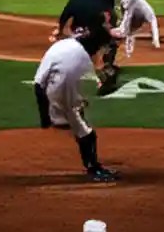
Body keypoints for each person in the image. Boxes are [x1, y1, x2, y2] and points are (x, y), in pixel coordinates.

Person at [32, 25, 121, 183]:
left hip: (50, 90)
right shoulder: (84, 61)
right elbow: (83, 89)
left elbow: (38, 83)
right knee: (87, 133)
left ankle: (61, 119)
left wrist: (43, 114)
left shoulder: (62, 44)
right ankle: (94, 169)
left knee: (79, 121)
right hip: (61, 96)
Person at [53, 0, 122, 96]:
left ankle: (64, 76)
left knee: (86, 55)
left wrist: (60, 32)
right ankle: (108, 68)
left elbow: (64, 16)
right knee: (107, 46)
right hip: (100, 35)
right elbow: (112, 17)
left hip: (82, 36)